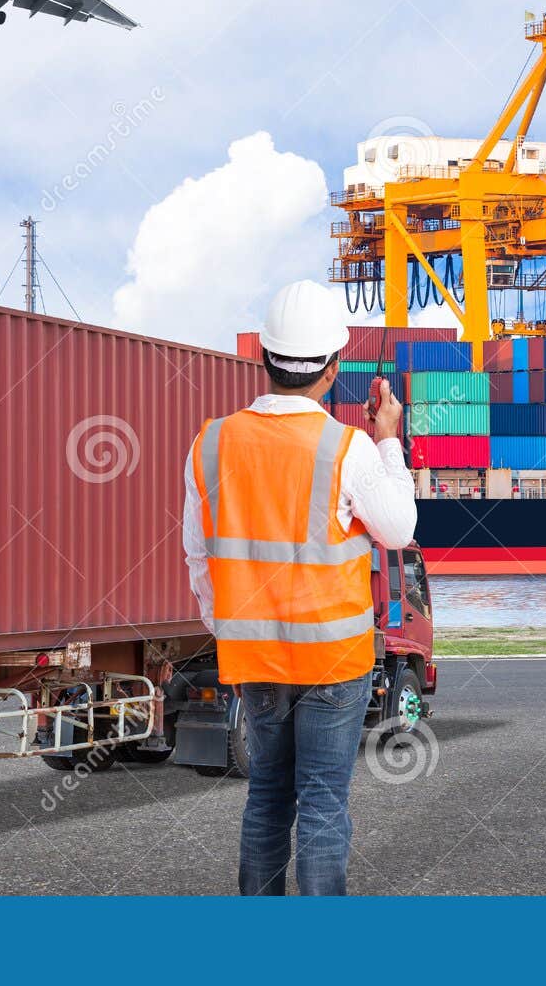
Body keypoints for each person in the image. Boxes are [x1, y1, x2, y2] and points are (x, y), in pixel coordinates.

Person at [182, 281, 417, 895]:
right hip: (333, 661)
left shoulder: (210, 442)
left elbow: (198, 554)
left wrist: (227, 625)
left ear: (263, 355)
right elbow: (399, 530)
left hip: (253, 657)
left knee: (266, 797)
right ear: (335, 366)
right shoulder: (350, 447)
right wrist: (389, 437)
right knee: (321, 803)